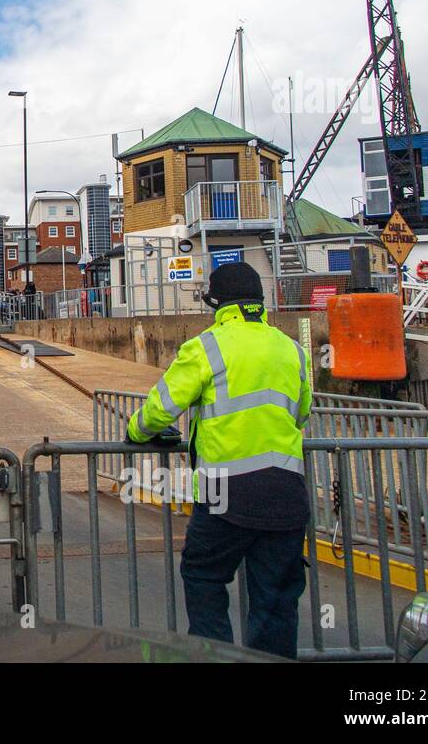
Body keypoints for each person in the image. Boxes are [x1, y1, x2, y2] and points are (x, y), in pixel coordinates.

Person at [126, 261, 311, 658]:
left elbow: (161, 408)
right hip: (286, 494)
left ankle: (215, 657)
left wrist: (136, 432)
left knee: (204, 575)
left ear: (217, 303)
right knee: (276, 597)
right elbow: (301, 413)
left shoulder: (206, 346)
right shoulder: (292, 349)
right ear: (259, 302)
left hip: (225, 495)